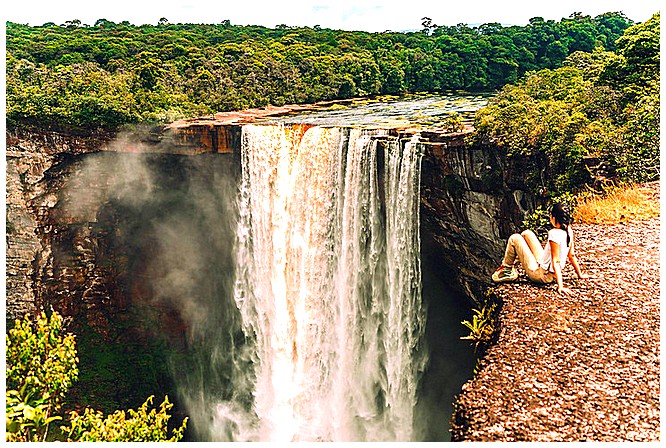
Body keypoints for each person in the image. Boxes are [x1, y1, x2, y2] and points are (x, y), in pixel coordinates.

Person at [492, 203, 590, 294]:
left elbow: (556, 261)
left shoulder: (554, 233)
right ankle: (518, 260)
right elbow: (571, 255)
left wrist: (560, 286)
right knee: (527, 233)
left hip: (542, 275)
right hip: (545, 267)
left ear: (553, 218)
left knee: (514, 238)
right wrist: (580, 275)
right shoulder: (569, 231)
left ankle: (507, 269)